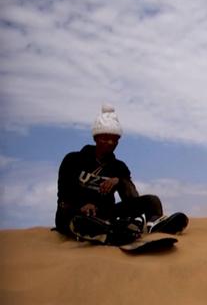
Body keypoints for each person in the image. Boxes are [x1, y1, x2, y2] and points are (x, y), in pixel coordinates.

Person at [56, 104, 188, 245]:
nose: (110, 143)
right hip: (75, 212)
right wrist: (81, 206)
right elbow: (64, 194)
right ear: (96, 138)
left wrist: (120, 181)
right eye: (105, 139)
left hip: (105, 214)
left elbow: (132, 199)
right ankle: (103, 231)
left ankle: (154, 226)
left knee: (151, 200)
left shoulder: (119, 167)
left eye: (114, 140)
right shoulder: (73, 159)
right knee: (75, 218)